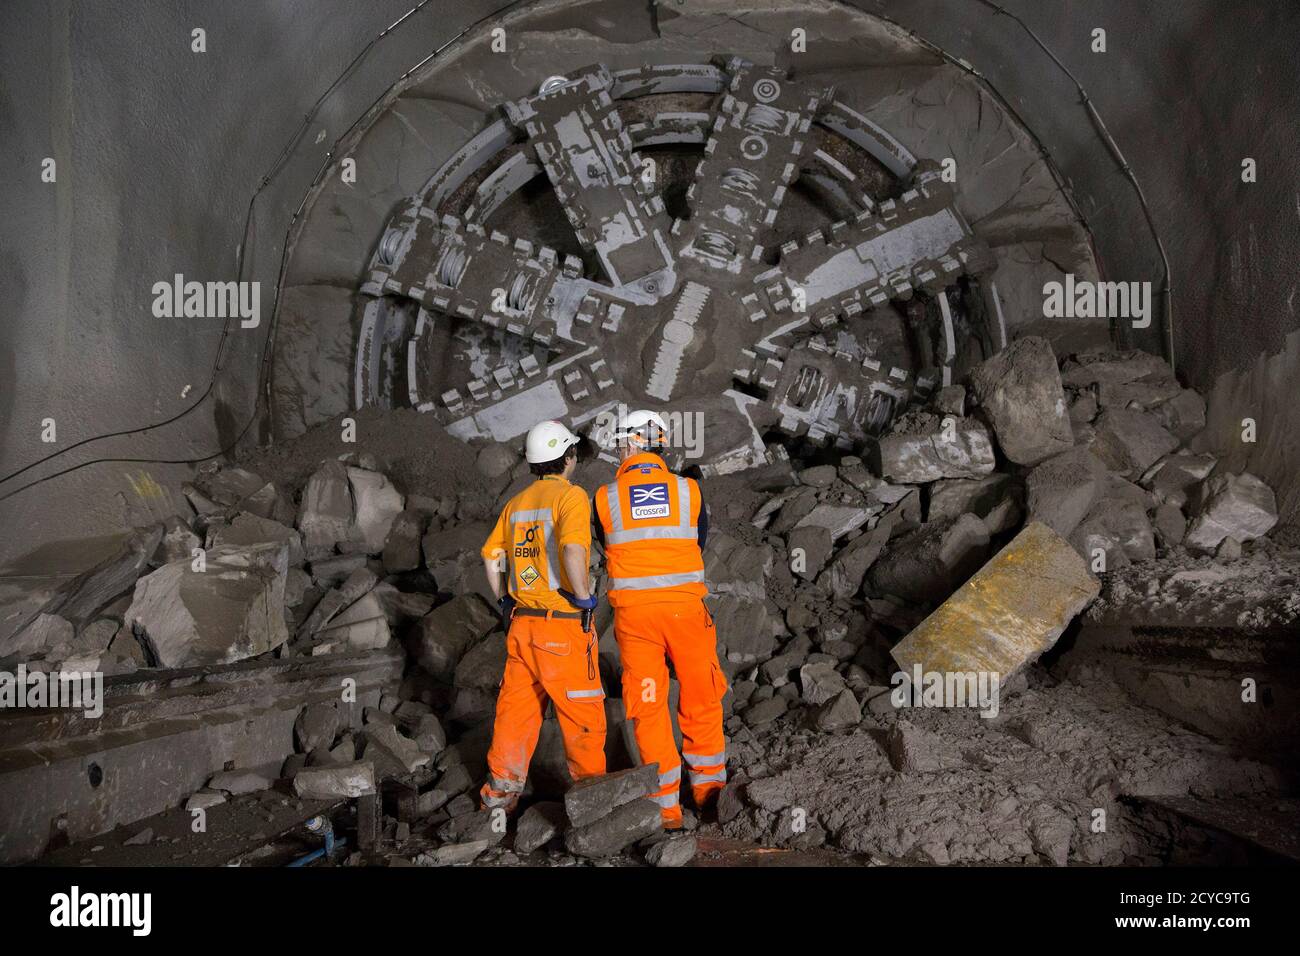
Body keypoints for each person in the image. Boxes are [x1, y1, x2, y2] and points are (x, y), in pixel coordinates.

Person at [593, 409, 726, 828]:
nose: (618, 452)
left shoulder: (603, 497)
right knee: (701, 697)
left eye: (620, 444)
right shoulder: (690, 491)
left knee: (647, 707)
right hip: (685, 610)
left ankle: (665, 809)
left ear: (632, 443)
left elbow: (605, 545)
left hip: (634, 618)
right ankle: (709, 797)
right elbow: (698, 542)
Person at [478, 419, 603, 814]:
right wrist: (584, 599)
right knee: (582, 714)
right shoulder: (571, 497)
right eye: (573, 454)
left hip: (522, 624)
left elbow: (491, 556)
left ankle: (498, 803)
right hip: (561, 626)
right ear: (568, 457)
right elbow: (572, 551)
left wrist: (504, 600)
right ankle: (594, 806)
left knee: (516, 714)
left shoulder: (517, 504)